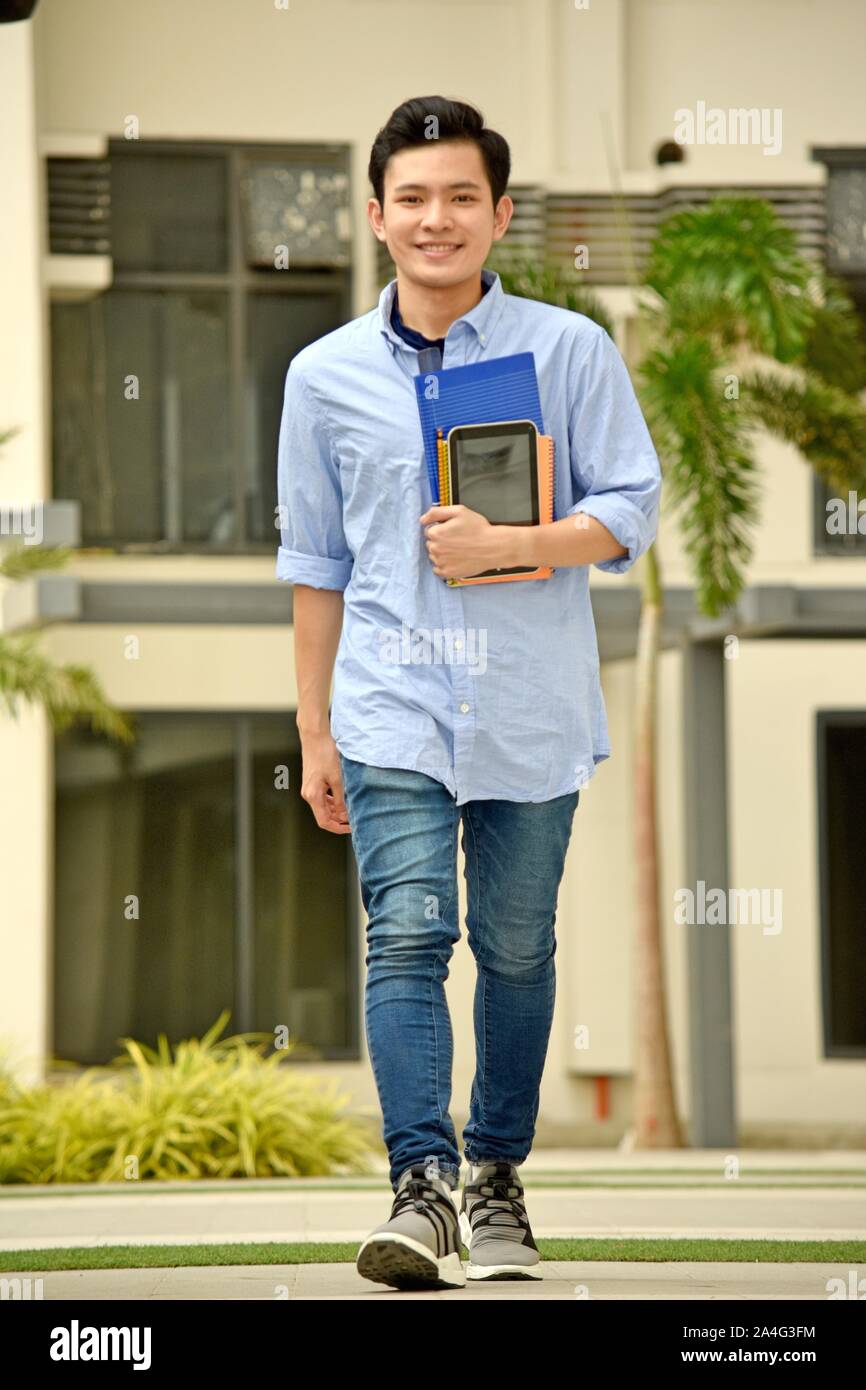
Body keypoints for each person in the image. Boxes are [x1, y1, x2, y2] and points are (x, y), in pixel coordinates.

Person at [275, 95, 662, 1290]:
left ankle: (496, 1178)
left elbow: (629, 511)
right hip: (388, 696)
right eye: (411, 198)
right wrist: (316, 728)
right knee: (405, 934)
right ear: (379, 219)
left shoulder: (568, 351)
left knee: (513, 946)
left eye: (459, 198)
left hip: (528, 704)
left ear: (496, 215)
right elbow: (314, 564)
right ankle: (420, 1186)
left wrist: (512, 546)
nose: (434, 219)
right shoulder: (321, 375)